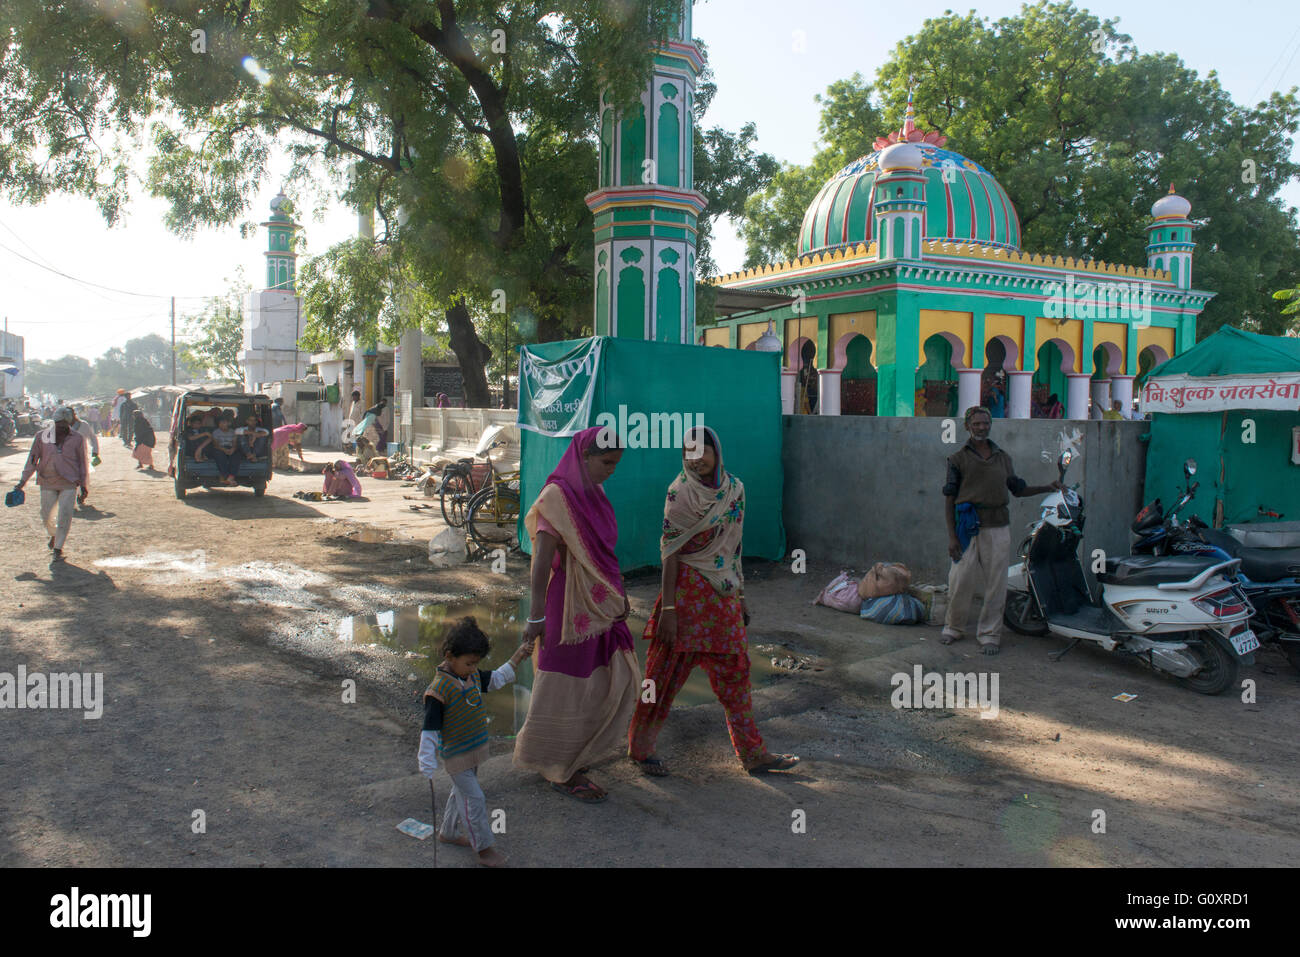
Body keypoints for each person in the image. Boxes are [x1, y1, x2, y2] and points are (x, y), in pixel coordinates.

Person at [627, 426, 800, 776]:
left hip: (722, 596)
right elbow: (671, 553)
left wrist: (740, 594)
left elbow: (732, 545)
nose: (696, 458)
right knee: (659, 679)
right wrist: (670, 611)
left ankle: (753, 754)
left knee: (736, 675)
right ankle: (640, 748)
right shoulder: (680, 493)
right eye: (689, 452)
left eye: (702, 450)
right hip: (687, 596)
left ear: (716, 451)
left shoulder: (734, 490)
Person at [513, 427, 638, 803]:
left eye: (616, 464)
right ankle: (558, 768)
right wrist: (536, 617)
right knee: (563, 682)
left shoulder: (595, 495)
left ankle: (576, 756)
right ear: (584, 457)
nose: (611, 471)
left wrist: (620, 595)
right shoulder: (556, 498)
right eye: (606, 463)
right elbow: (540, 563)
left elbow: (605, 556)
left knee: (605, 675)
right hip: (567, 605)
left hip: (598, 603)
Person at [942, 407, 1063, 655]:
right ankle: (953, 628)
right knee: (959, 580)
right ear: (967, 426)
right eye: (976, 424)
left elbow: (1018, 489)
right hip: (966, 528)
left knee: (996, 584)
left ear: (990, 425)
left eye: (985, 423)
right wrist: (952, 536)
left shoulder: (1002, 458)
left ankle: (989, 634)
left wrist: (1047, 487)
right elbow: (949, 499)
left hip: (997, 526)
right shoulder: (957, 459)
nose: (981, 427)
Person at [418, 617, 534, 867]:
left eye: (476, 664)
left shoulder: (470, 676)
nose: (473, 669)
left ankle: (448, 831)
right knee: (475, 799)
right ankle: (483, 849)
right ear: (450, 656)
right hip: (457, 755)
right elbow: (429, 731)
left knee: (460, 792)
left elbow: (496, 678)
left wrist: (518, 656)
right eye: (469, 663)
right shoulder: (438, 690)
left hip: (474, 749)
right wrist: (426, 760)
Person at [14, 407, 90, 563]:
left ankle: (58, 547)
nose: (62, 426)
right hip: (47, 480)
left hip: (69, 482)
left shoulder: (77, 438)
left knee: (65, 515)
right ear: (54, 422)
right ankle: (54, 535)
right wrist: (22, 481)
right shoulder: (42, 437)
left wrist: (83, 485)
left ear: (69, 422)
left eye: (65, 423)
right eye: (59, 423)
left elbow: (83, 463)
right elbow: (32, 460)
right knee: (46, 514)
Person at [207, 412, 244, 486]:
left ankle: (231, 476)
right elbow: (216, 445)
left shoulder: (232, 431)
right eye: (221, 423)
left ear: (228, 423)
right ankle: (227, 476)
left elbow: (234, 443)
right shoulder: (216, 432)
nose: (223, 424)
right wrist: (224, 450)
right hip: (220, 448)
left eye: (224, 423)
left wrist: (233, 449)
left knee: (237, 455)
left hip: (230, 447)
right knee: (220, 456)